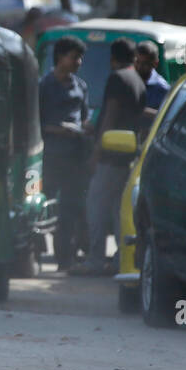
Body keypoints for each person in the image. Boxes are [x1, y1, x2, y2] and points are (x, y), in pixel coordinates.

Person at [74, 36, 146, 276]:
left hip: (110, 156)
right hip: (126, 157)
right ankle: (119, 259)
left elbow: (112, 114)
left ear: (113, 58)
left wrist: (97, 151)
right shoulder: (137, 79)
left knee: (95, 206)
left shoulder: (117, 78)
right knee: (118, 211)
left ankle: (95, 260)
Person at [39, 37, 91, 270]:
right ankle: (35, 252)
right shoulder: (43, 86)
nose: (78, 62)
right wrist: (58, 130)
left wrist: (82, 130)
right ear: (60, 57)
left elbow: (85, 118)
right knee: (43, 207)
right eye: (74, 57)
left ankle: (65, 258)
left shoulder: (81, 87)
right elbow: (35, 123)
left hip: (74, 157)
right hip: (49, 157)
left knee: (70, 208)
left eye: (80, 58)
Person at [134, 40, 169, 121]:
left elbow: (166, 118)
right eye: (137, 62)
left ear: (155, 64)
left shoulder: (162, 89)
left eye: (144, 64)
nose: (139, 67)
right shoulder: (130, 82)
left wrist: (143, 112)